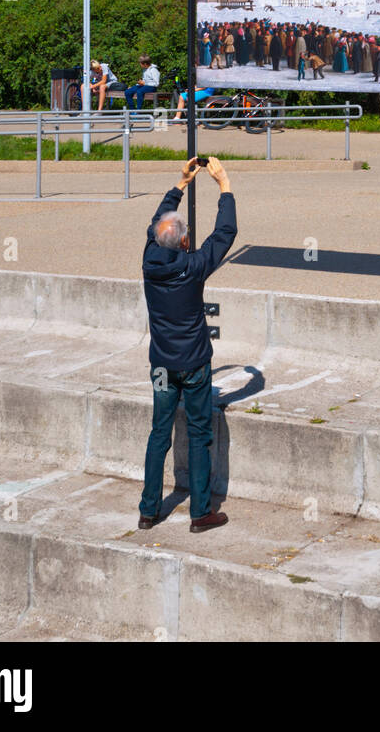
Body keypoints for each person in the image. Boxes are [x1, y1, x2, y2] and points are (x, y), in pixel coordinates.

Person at [139, 156, 237, 533]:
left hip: (162, 366)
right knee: (199, 433)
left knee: (159, 432)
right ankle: (200, 513)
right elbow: (224, 234)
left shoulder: (149, 259)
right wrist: (224, 185)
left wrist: (180, 184)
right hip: (194, 365)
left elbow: (157, 223)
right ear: (183, 240)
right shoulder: (194, 267)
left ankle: (149, 511)